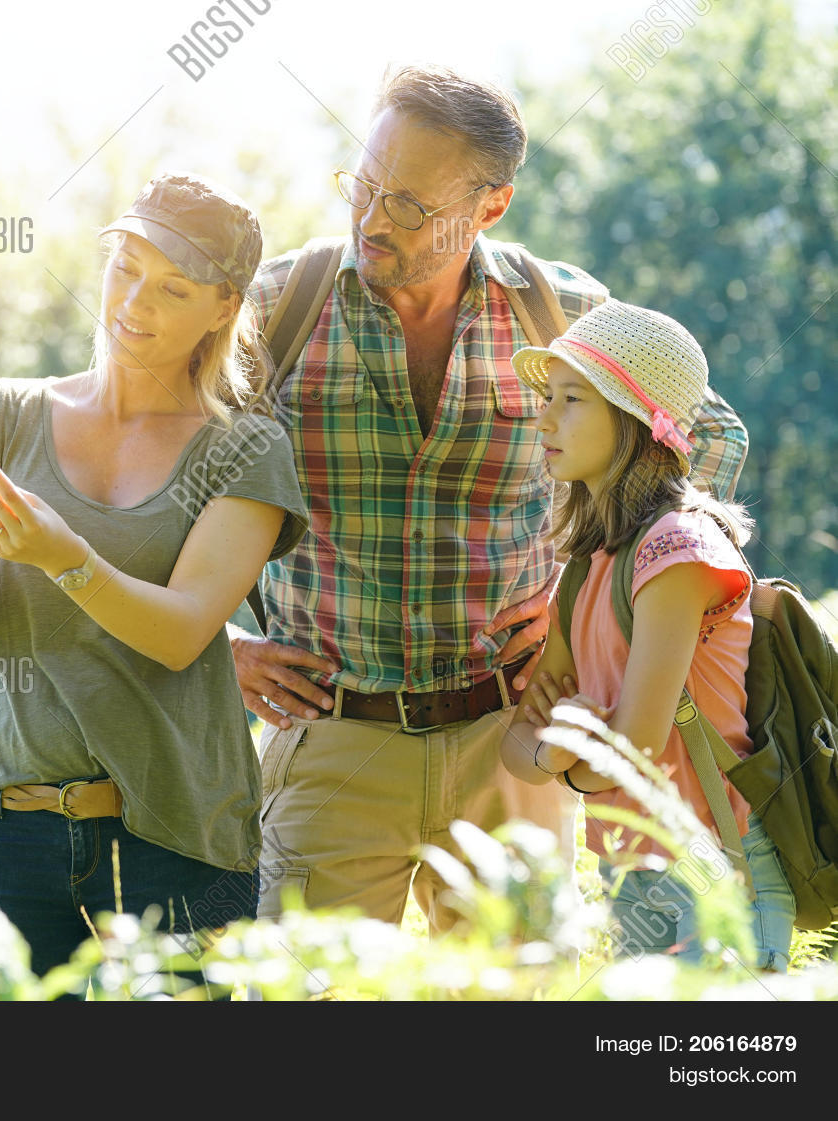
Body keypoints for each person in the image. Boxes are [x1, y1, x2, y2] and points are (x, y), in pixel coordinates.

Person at [234, 64, 749, 928]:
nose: (370, 218)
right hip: (331, 738)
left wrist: (588, 604)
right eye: (363, 185)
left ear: (490, 207)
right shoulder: (278, 309)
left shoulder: (561, 312)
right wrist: (223, 645)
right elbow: (149, 472)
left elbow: (712, 438)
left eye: (408, 204)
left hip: (511, 738)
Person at [0, 172, 310, 977]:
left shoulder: (243, 449)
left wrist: (65, 556)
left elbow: (182, 631)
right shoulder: (7, 413)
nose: (136, 302)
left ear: (224, 307)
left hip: (175, 843)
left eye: (173, 287)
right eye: (125, 269)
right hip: (0, 832)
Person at [498, 299, 795, 970]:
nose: (543, 417)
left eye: (571, 398)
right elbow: (517, 745)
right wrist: (565, 744)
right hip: (633, 870)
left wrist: (565, 737)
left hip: (714, 863)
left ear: (634, 420)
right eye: (548, 396)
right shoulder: (589, 563)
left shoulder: (679, 549)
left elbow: (635, 745)